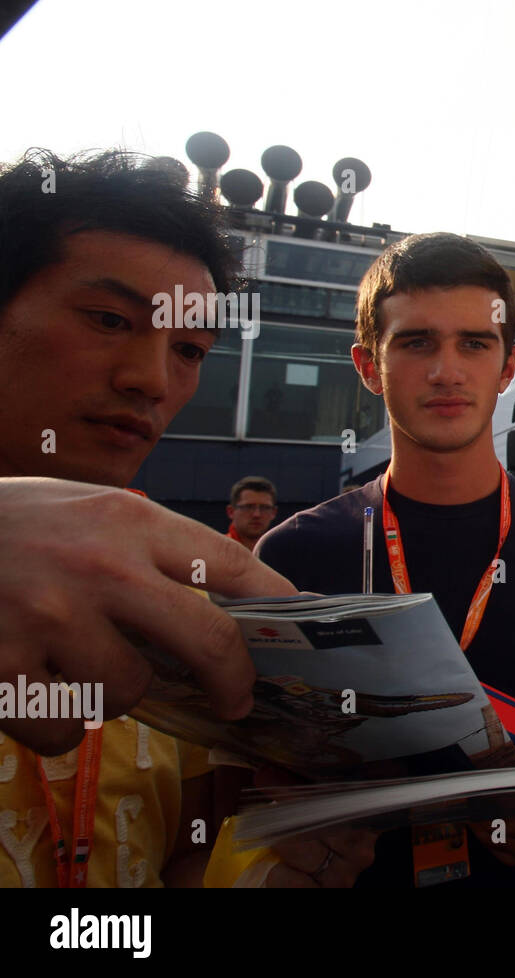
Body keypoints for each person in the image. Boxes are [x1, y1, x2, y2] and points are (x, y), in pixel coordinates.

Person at [0, 149, 370, 887]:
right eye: (109, 320)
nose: (152, 379)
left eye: (190, 350)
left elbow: (183, 860)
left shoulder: (186, 603)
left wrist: (274, 866)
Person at [255, 232, 515, 887]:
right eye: (416, 342)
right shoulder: (293, 556)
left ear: (508, 366)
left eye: (474, 343)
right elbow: (260, 771)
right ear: (369, 365)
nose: (447, 372)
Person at [226, 476, 278, 549]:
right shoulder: (213, 551)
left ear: (274, 513)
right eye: (248, 507)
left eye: (264, 508)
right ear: (231, 512)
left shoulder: (281, 553)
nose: (257, 514)